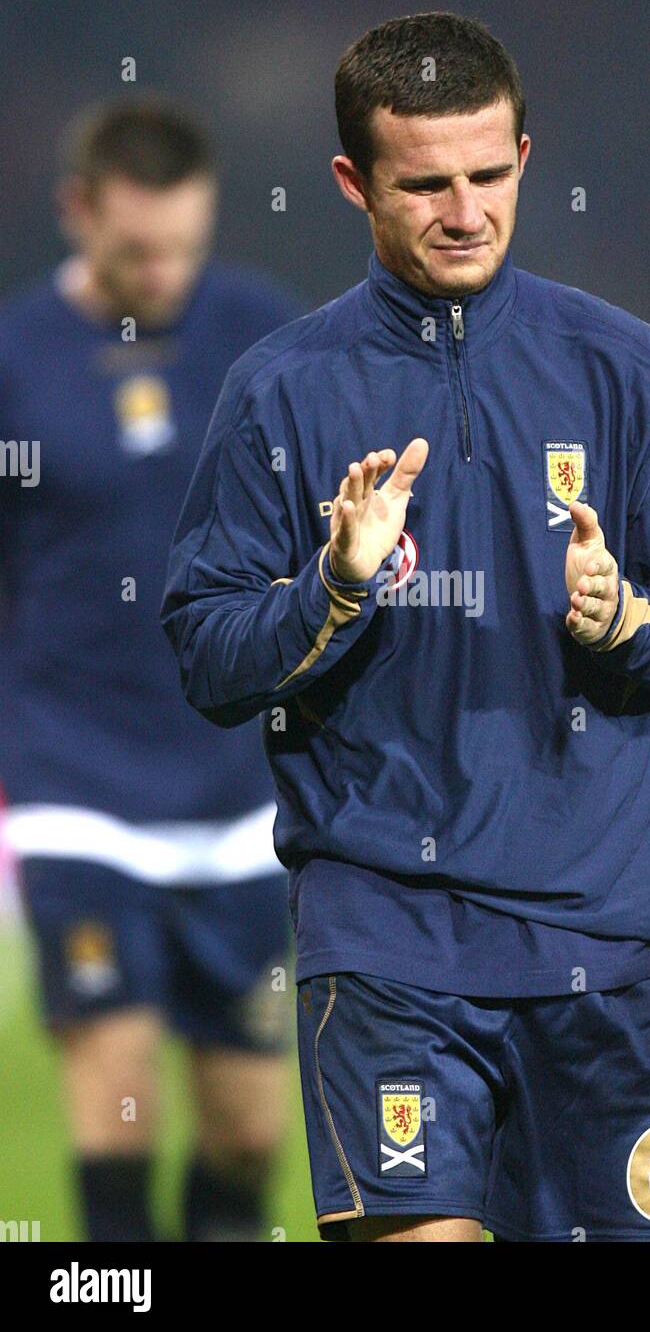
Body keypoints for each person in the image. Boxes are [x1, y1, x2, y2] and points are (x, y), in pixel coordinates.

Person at [162, 13, 650, 1243]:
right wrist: (329, 587)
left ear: (526, 158)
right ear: (353, 184)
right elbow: (206, 656)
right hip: (388, 943)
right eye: (424, 183)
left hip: (607, 941)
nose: (465, 209)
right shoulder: (282, 388)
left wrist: (627, 616)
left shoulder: (623, 366)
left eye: (489, 174)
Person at [0, 96, 303, 1242]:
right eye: (138, 251)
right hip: (75, 782)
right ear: (78, 213)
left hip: (235, 791)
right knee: (118, 1089)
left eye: (185, 243)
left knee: (247, 1131)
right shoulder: (15, 361)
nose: (165, 271)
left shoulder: (263, 335)